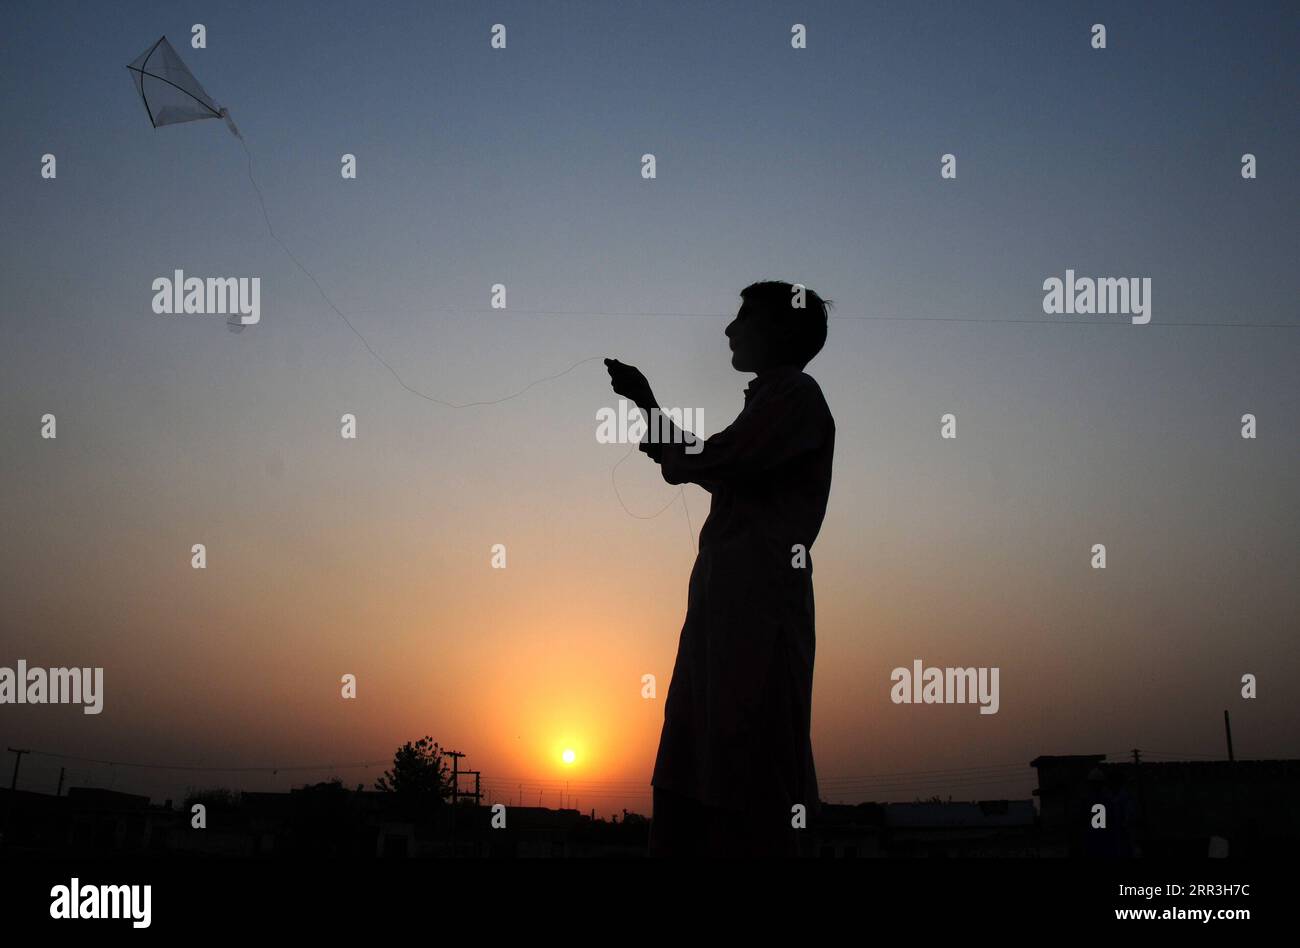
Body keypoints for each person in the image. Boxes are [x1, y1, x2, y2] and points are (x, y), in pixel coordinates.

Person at [605, 281, 836, 856]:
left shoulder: (796, 397)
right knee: (701, 747)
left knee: (748, 758)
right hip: (728, 609)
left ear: (781, 332)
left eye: (743, 318)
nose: (730, 330)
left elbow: (713, 458)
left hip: (757, 613)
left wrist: (655, 419)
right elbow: (715, 459)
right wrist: (647, 407)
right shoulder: (771, 403)